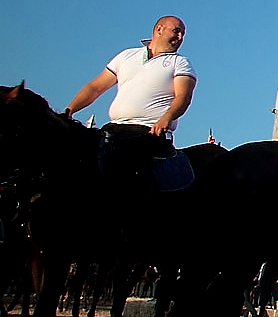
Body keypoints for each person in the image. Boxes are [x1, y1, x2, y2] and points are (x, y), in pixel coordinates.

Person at [64, 15, 196, 189]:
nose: (180, 38)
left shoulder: (180, 63)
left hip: (148, 134)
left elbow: (183, 97)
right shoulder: (127, 56)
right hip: (114, 130)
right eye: (176, 31)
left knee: (121, 170)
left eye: (183, 34)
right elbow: (95, 87)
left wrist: (166, 118)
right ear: (159, 30)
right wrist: (69, 110)